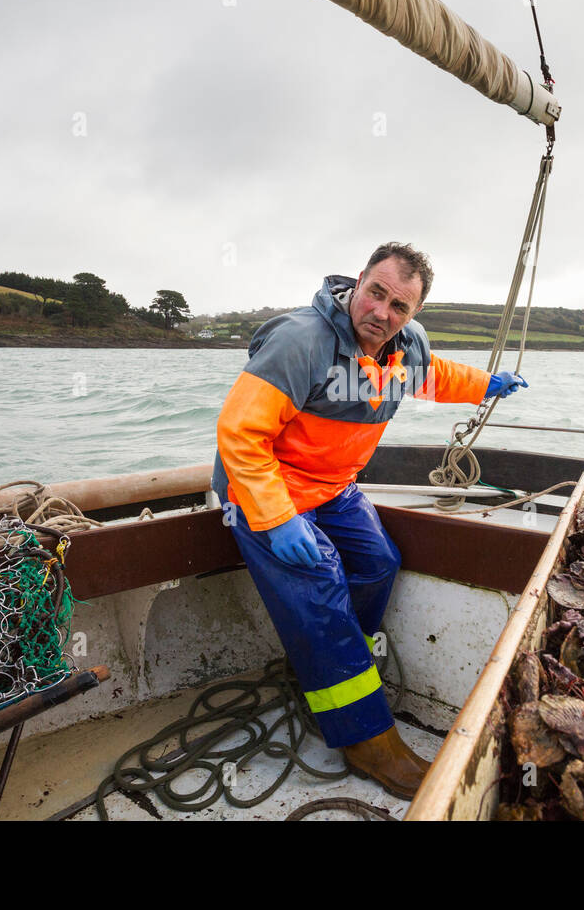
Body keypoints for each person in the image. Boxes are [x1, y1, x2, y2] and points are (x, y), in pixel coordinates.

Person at [210, 242, 527, 799]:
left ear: (414, 315)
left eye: (400, 306)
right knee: (321, 580)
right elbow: (240, 434)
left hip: (333, 486)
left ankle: (327, 668)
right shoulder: (299, 341)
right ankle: (364, 737)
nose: (382, 312)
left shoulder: (406, 347)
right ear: (357, 283)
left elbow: (436, 377)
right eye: (376, 293)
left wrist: (486, 384)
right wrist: (276, 518)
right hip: (263, 488)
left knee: (379, 563)